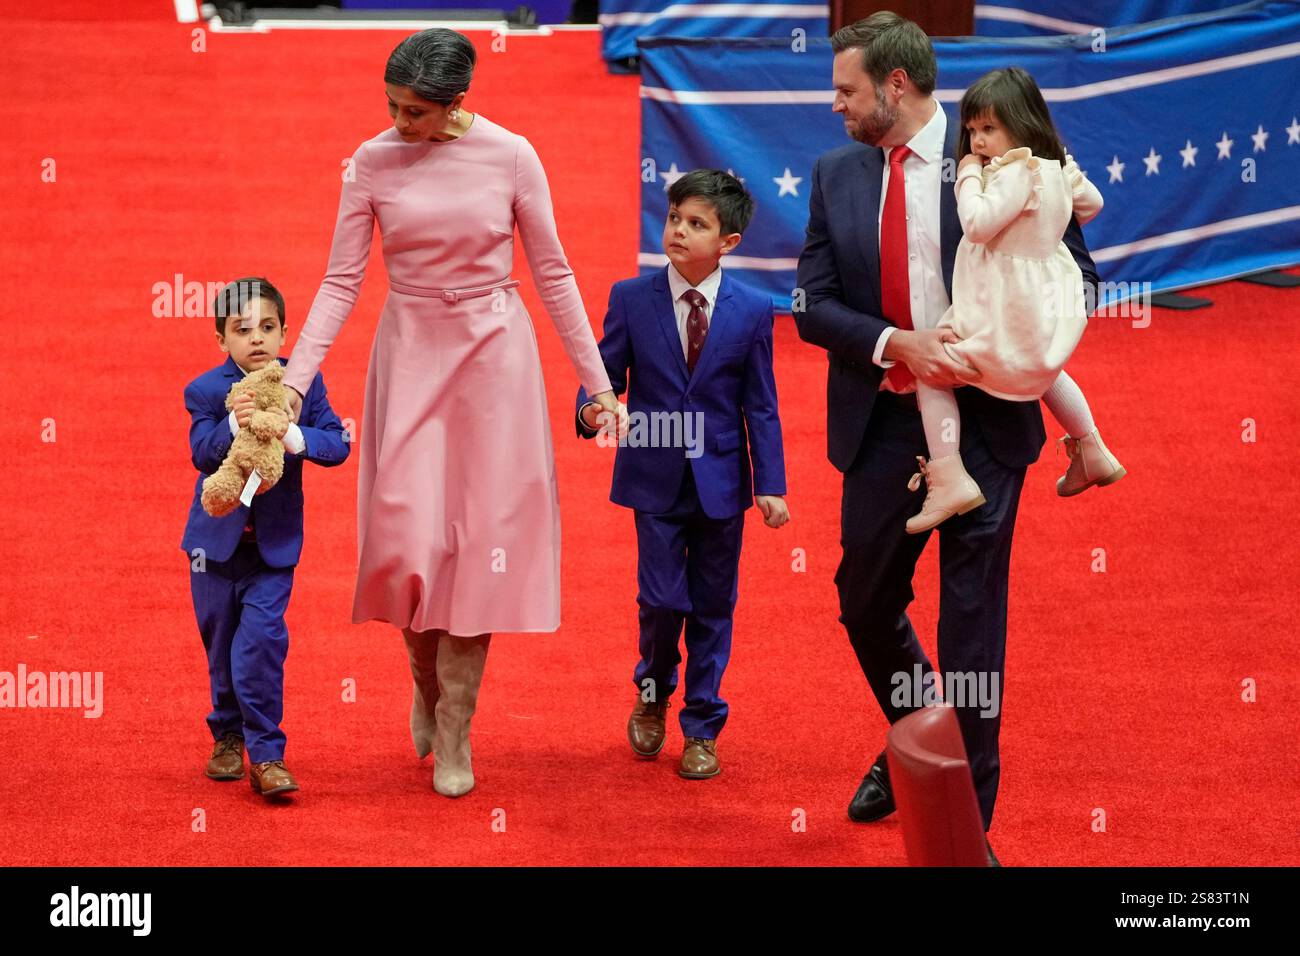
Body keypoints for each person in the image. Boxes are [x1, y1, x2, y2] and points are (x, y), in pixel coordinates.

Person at [793, 12, 1101, 864]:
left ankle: (967, 832)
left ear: (895, 87)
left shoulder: (999, 158)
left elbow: (1079, 273)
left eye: (846, 90)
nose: (835, 106)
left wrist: (1011, 343)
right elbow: (812, 305)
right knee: (865, 604)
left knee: (972, 636)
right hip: (885, 425)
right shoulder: (836, 173)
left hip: (991, 429)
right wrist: (900, 345)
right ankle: (915, 734)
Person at [279, 28, 620, 797]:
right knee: (407, 542)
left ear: (458, 104)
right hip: (409, 354)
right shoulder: (369, 162)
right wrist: (294, 382)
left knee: (479, 553)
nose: (401, 122)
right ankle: (424, 679)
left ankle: (459, 726)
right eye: (393, 105)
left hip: (494, 362)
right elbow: (340, 283)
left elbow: (555, 273)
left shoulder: (513, 155)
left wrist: (597, 384)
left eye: (418, 112)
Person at [575, 170, 789, 779]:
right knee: (663, 599)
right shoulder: (630, 298)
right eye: (674, 218)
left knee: (714, 604)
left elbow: (761, 403)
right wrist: (593, 408)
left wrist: (770, 483)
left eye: (697, 224)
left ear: (729, 241)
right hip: (653, 476)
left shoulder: (752, 311)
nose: (679, 231)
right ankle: (652, 691)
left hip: (723, 482)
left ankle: (702, 724)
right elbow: (603, 372)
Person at [905, 67, 1124, 533]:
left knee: (932, 367)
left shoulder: (1013, 171)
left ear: (1021, 125)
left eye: (988, 129)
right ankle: (1091, 445)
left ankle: (947, 475)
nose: (977, 141)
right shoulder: (1053, 166)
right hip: (1042, 294)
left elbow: (978, 225)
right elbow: (1094, 203)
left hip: (1002, 299)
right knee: (1042, 370)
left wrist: (967, 175)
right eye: (971, 131)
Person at [182, 277, 351, 799]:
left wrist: (292, 433)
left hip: (273, 552)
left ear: (284, 333)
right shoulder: (205, 391)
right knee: (221, 646)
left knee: (260, 645)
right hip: (213, 550)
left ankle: (268, 754)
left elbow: (338, 443)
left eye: (268, 327)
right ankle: (227, 734)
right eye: (242, 329)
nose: (256, 338)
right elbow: (203, 454)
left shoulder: (304, 387)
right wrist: (235, 424)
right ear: (221, 340)